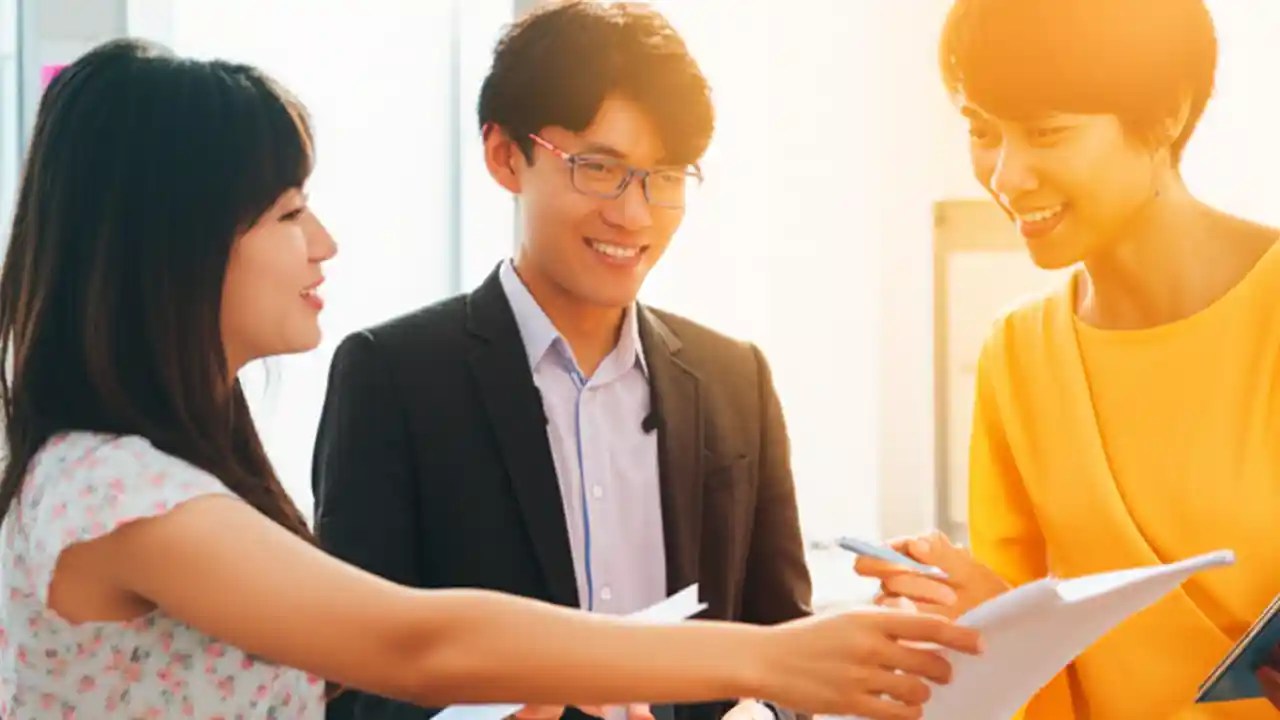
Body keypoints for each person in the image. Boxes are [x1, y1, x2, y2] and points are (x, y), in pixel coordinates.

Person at [0, 38, 985, 720]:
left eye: (666, 175)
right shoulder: (114, 495)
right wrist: (771, 657)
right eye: (289, 213)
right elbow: (412, 642)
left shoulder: (153, 480)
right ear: (172, 244)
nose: (325, 243)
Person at [313, 3, 818, 720]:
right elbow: (351, 679)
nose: (635, 215)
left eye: (665, 176)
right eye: (600, 168)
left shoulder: (736, 378)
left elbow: (784, 650)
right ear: (503, 154)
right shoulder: (393, 376)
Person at [853, 0, 1280, 717]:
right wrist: (980, 627)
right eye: (982, 131)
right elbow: (1029, 693)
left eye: (1046, 131)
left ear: (1168, 111)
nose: (1006, 175)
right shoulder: (1018, 358)